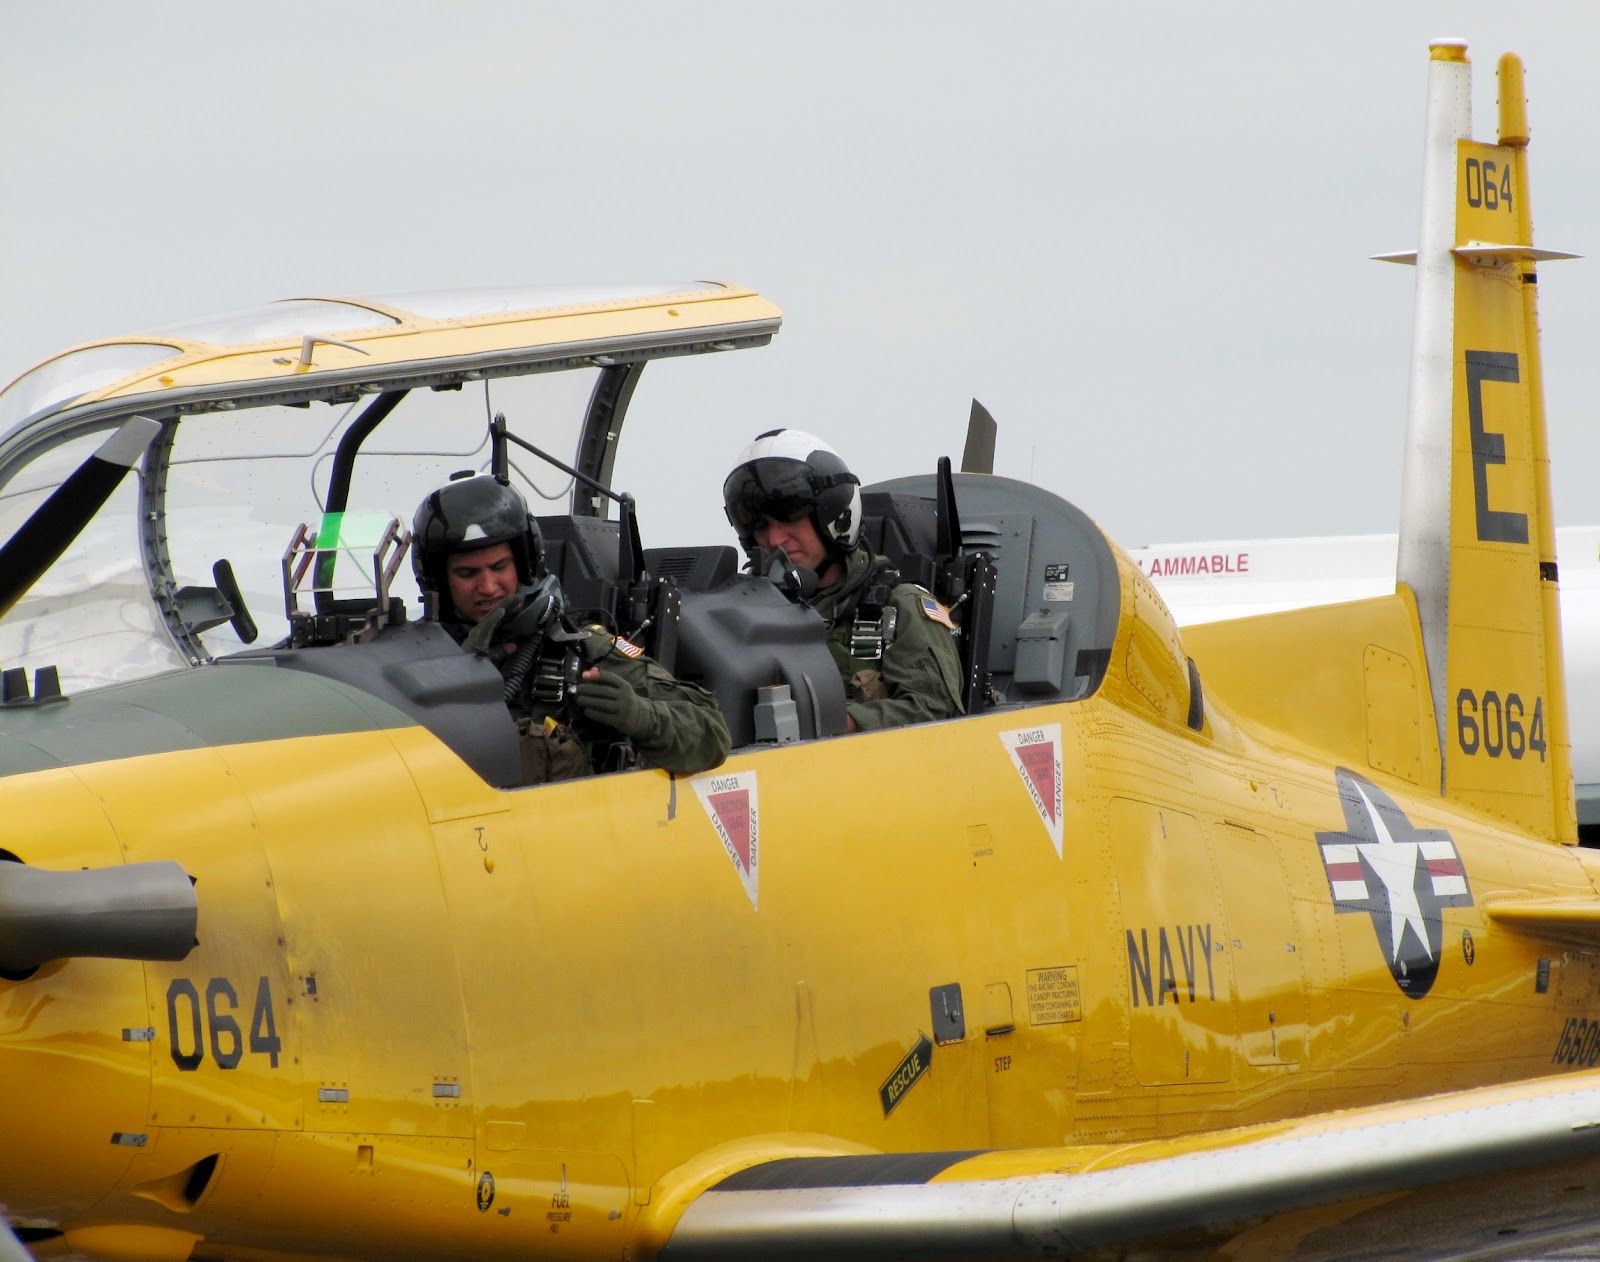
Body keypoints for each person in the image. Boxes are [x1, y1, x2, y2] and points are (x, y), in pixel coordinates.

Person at [413, 473, 730, 782]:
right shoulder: (411, 663)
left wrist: (641, 716)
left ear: (524, 563)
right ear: (439, 580)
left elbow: (713, 734)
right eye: (467, 574)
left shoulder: (579, 650)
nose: (488, 586)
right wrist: (460, 670)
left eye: (499, 567)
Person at [722, 429, 964, 733]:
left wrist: (838, 724)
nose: (775, 539)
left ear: (836, 517)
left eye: (790, 519)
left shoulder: (901, 608)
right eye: (761, 526)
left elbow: (939, 714)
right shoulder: (742, 615)